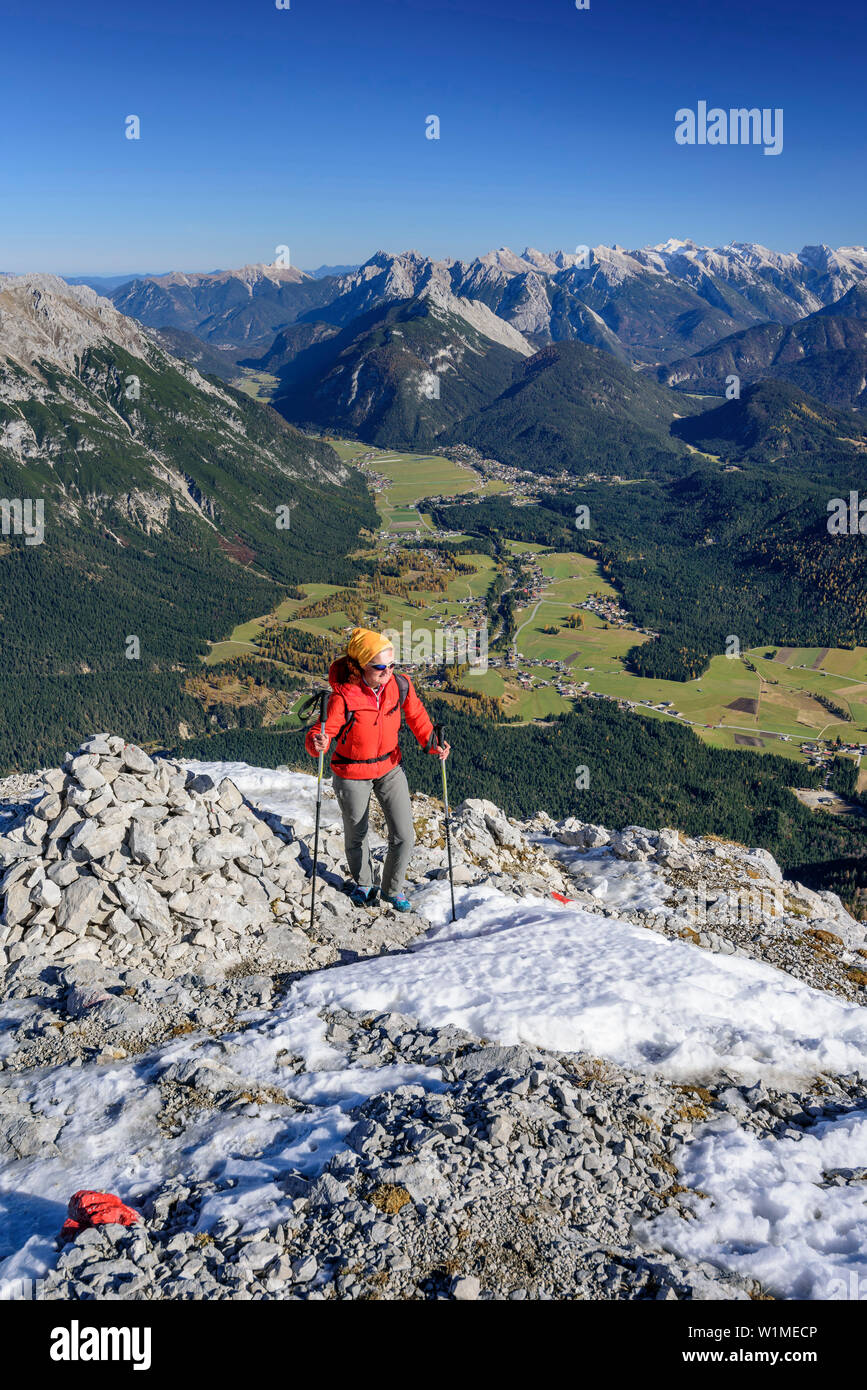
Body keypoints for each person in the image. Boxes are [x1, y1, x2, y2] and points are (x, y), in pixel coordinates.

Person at [305, 626, 450, 911]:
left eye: (392, 665)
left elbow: (417, 716)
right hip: (351, 772)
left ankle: (392, 890)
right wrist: (317, 743)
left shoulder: (400, 685)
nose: (388, 672)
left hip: (389, 766)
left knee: (404, 835)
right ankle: (364, 884)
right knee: (357, 833)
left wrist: (433, 743)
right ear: (360, 667)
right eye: (380, 666)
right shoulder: (343, 697)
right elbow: (320, 733)